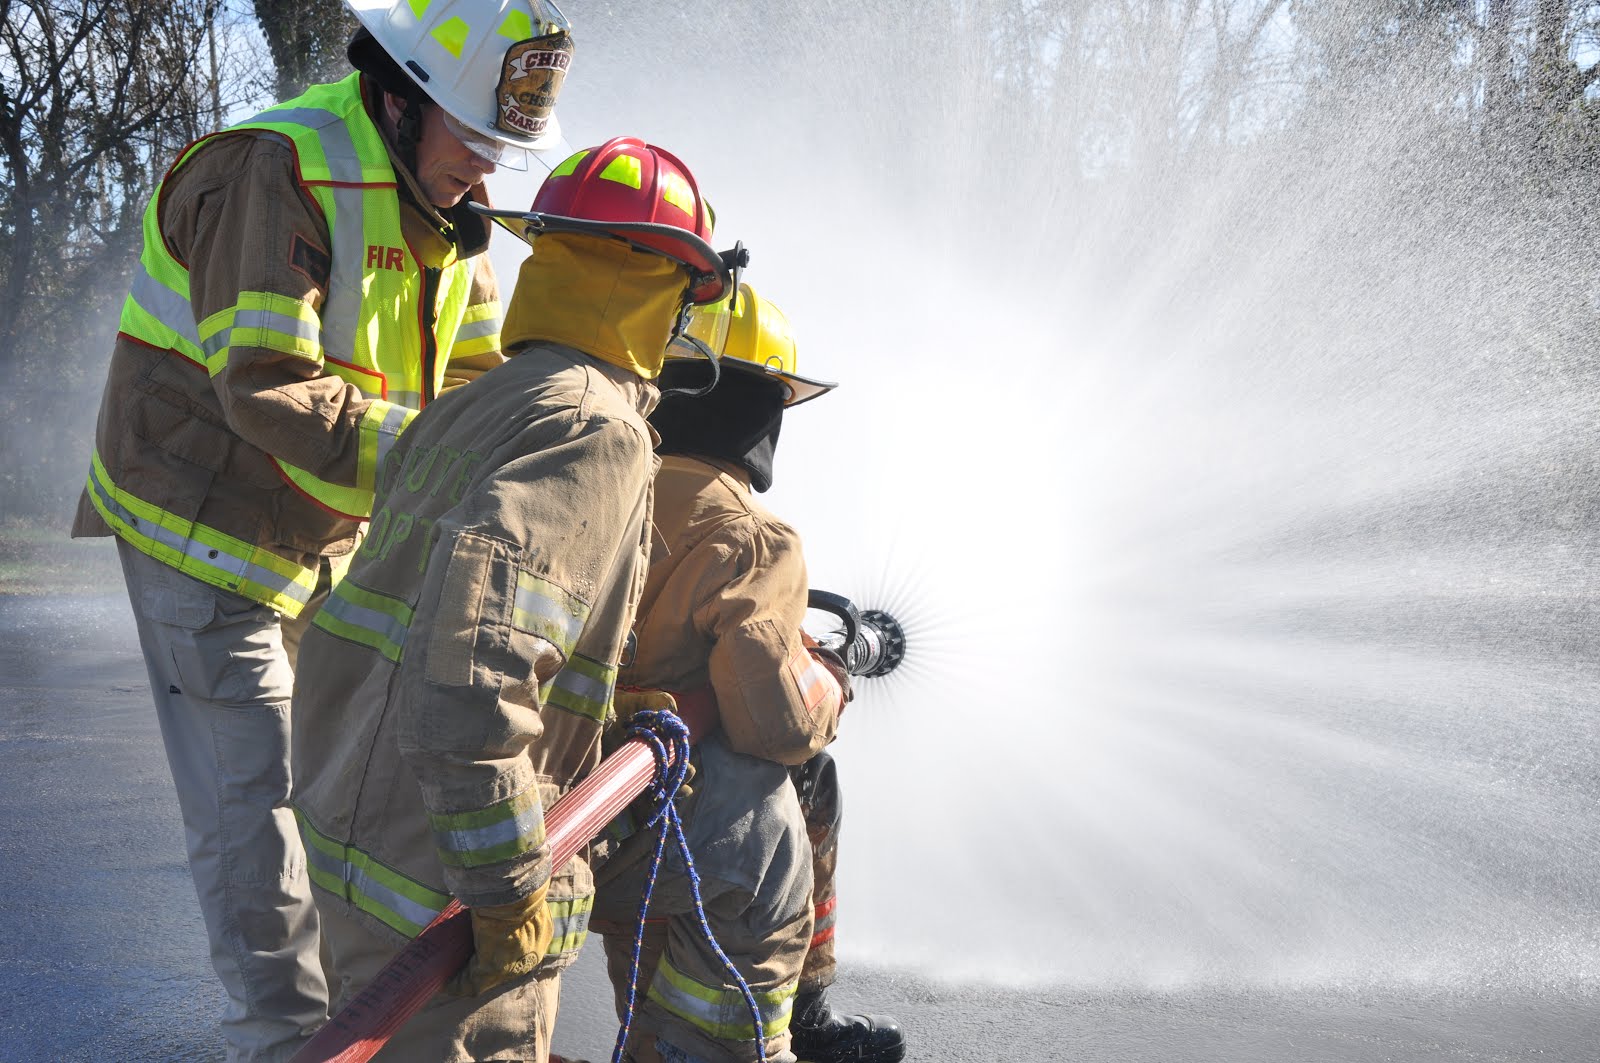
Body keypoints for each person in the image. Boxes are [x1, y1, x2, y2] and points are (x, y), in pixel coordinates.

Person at [71, 0, 572, 1056]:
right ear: (401, 97)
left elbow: (477, 385)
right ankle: (285, 1040)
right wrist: (450, 464)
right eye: (477, 142)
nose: (486, 175)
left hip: (331, 536)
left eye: (502, 151)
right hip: (199, 530)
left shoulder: (455, 219)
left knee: (346, 791)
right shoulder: (275, 169)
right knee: (255, 816)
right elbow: (267, 389)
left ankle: (356, 1025)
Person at [290, 135, 736, 1061]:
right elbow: (476, 668)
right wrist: (504, 889)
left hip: (366, 847)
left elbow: (448, 616)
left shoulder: (483, 402)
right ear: (667, 287)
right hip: (444, 893)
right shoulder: (597, 428)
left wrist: (606, 713)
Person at [589, 284, 906, 1063]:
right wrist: (827, 676)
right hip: (650, 833)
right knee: (792, 784)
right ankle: (770, 1024)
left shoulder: (593, 481)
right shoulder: (751, 537)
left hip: (558, 810)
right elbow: (776, 724)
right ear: (760, 409)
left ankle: (677, 1025)